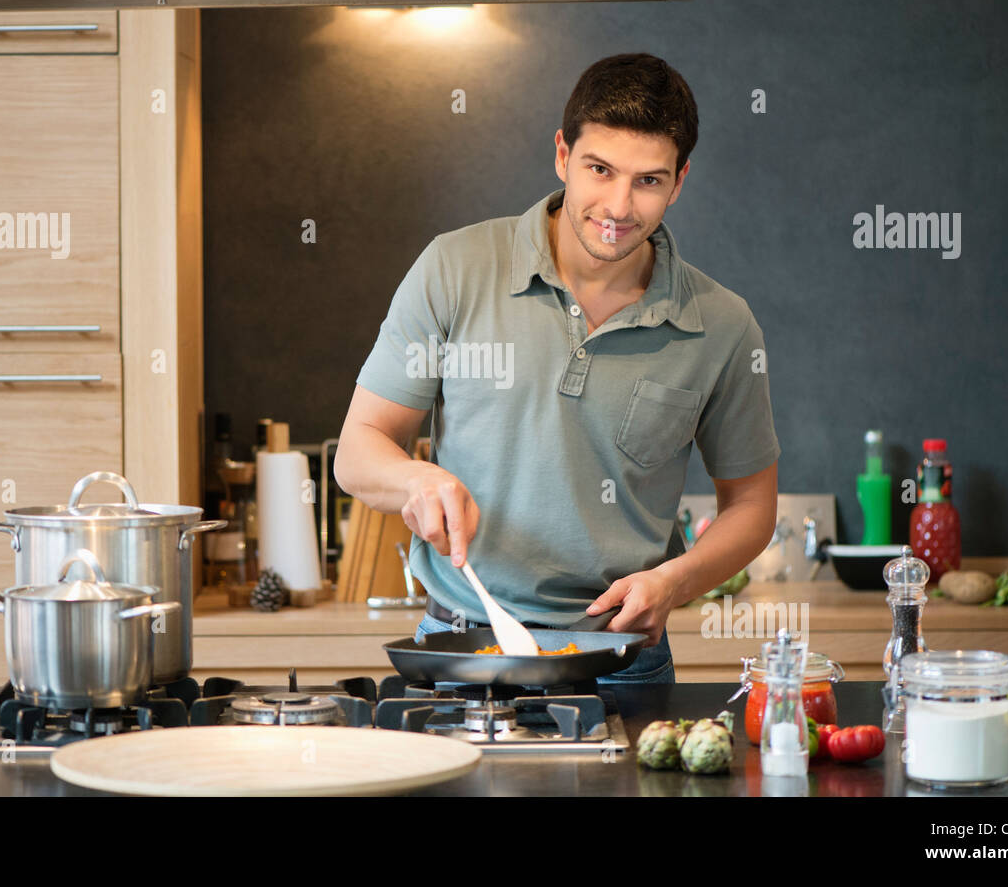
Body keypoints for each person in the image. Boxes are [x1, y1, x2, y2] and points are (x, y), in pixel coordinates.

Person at [334, 53, 779, 683]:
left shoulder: (724, 324)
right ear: (562, 155)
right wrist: (413, 480)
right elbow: (358, 450)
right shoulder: (454, 269)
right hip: (463, 648)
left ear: (679, 182)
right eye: (600, 170)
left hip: (623, 660)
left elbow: (753, 505)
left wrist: (675, 581)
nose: (619, 206)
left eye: (649, 181)